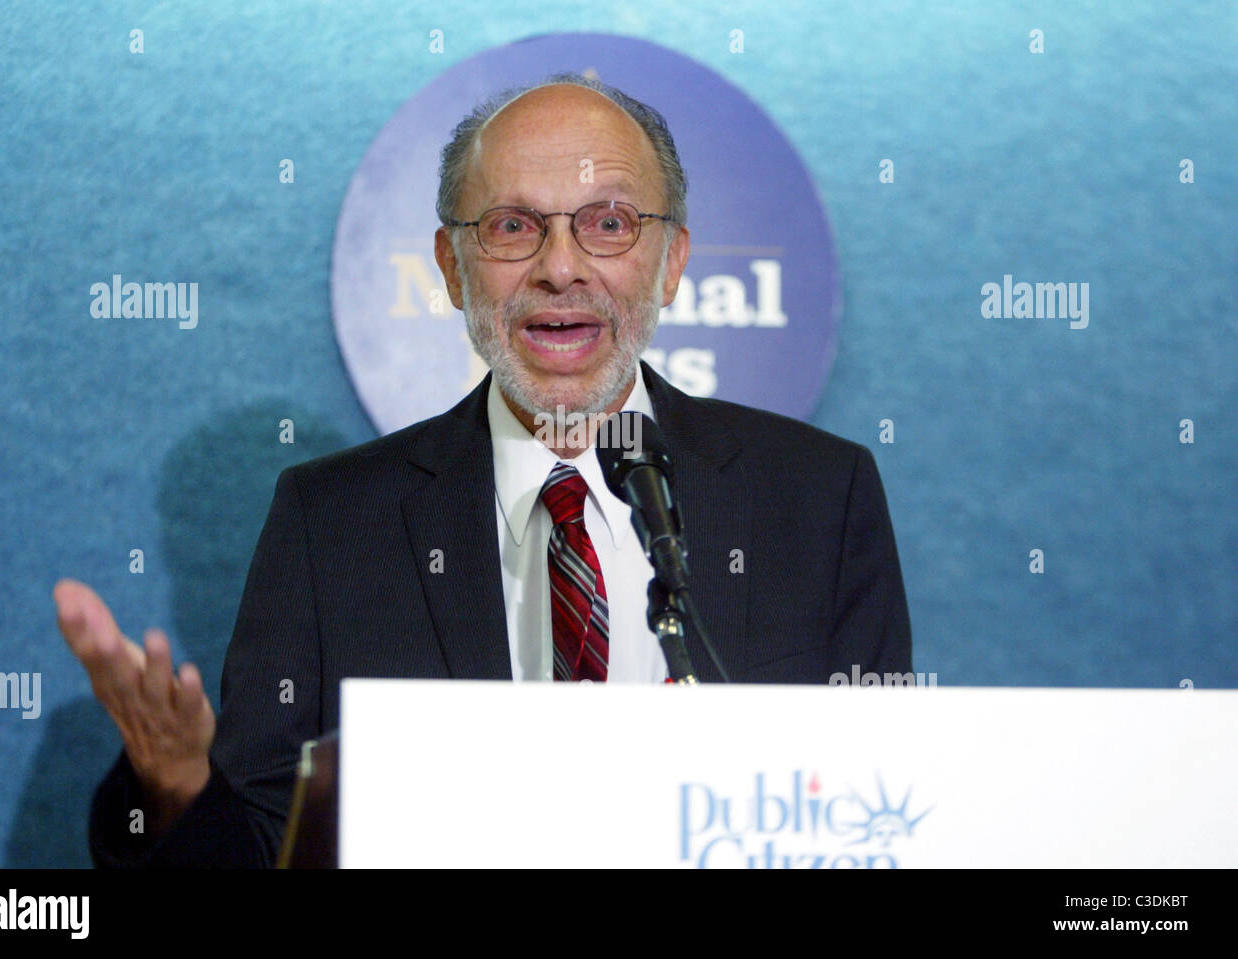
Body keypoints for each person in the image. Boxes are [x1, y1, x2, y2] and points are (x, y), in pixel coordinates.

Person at [54, 72, 912, 868]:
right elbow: (264, 847)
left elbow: (878, 810)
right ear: (451, 267)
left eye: (608, 223)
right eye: (512, 227)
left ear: (673, 260)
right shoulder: (332, 521)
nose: (560, 266)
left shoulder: (818, 497)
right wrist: (174, 784)